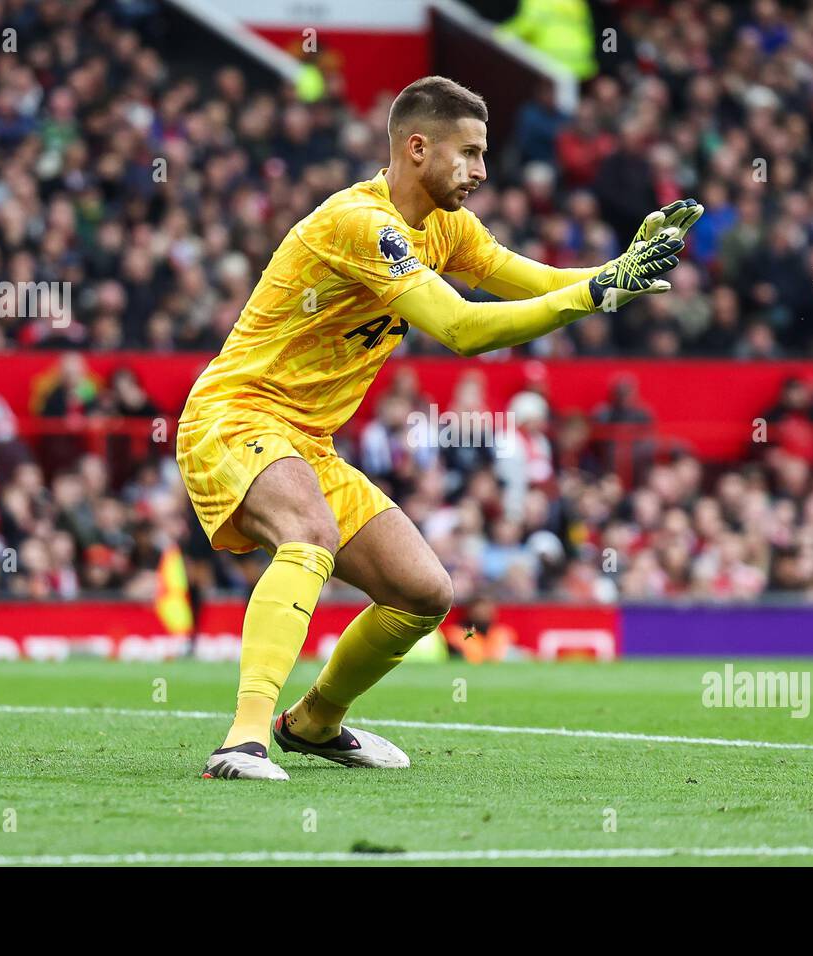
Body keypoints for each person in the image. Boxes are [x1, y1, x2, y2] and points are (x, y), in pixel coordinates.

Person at [177, 75, 702, 781]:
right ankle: (241, 741)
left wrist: (617, 273)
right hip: (236, 414)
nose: (483, 171)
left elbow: (526, 278)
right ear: (417, 147)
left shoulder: (448, 227)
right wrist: (592, 294)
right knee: (309, 536)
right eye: (471, 153)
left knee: (423, 592)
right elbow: (459, 327)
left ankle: (314, 723)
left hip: (307, 439)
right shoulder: (359, 223)